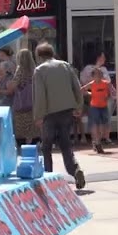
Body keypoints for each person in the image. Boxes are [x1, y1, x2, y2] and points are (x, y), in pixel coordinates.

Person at [32, 43, 86, 189]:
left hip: (49, 113)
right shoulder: (65, 66)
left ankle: (48, 177)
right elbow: (76, 86)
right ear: (52, 53)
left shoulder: (39, 70)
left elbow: (40, 95)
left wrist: (38, 115)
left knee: (47, 146)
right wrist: (78, 105)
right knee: (65, 144)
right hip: (67, 111)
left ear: (39, 56)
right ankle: (75, 170)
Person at [0, 48, 37, 145]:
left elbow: (13, 86)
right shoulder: (35, 70)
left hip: (22, 102)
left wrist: (6, 81)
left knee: (22, 125)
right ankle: (32, 141)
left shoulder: (20, 70)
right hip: (33, 101)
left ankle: (25, 145)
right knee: (31, 124)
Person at [82, 67, 115, 153]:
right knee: (96, 126)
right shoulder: (91, 84)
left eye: (100, 74)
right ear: (93, 77)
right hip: (94, 107)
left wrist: (108, 96)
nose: (99, 76)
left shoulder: (106, 83)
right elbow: (82, 90)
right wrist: (91, 94)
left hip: (103, 107)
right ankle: (97, 143)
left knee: (104, 125)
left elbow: (111, 91)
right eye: (97, 74)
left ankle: (98, 141)